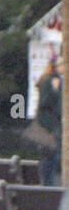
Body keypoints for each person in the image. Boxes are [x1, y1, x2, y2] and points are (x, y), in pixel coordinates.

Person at [36, 52, 61, 186]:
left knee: (49, 162)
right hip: (49, 130)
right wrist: (56, 91)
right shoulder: (50, 81)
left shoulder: (50, 79)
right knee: (51, 163)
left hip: (48, 130)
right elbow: (47, 103)